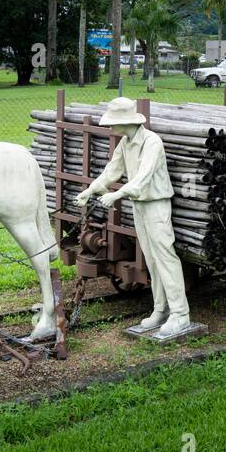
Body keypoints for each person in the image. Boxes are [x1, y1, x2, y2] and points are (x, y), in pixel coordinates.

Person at [73, 97, 197, 340]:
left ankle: (181, 314)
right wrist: (90, 190)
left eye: (112, 123)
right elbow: (112, 170)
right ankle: (160, 310)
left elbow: (142, 178)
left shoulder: (152, 142)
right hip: (140, 206)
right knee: (151, 260)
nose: (109, 128)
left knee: (165, 258)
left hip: (156, 206)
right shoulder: (125, 143)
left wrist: (117, 194)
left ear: (124, 121)